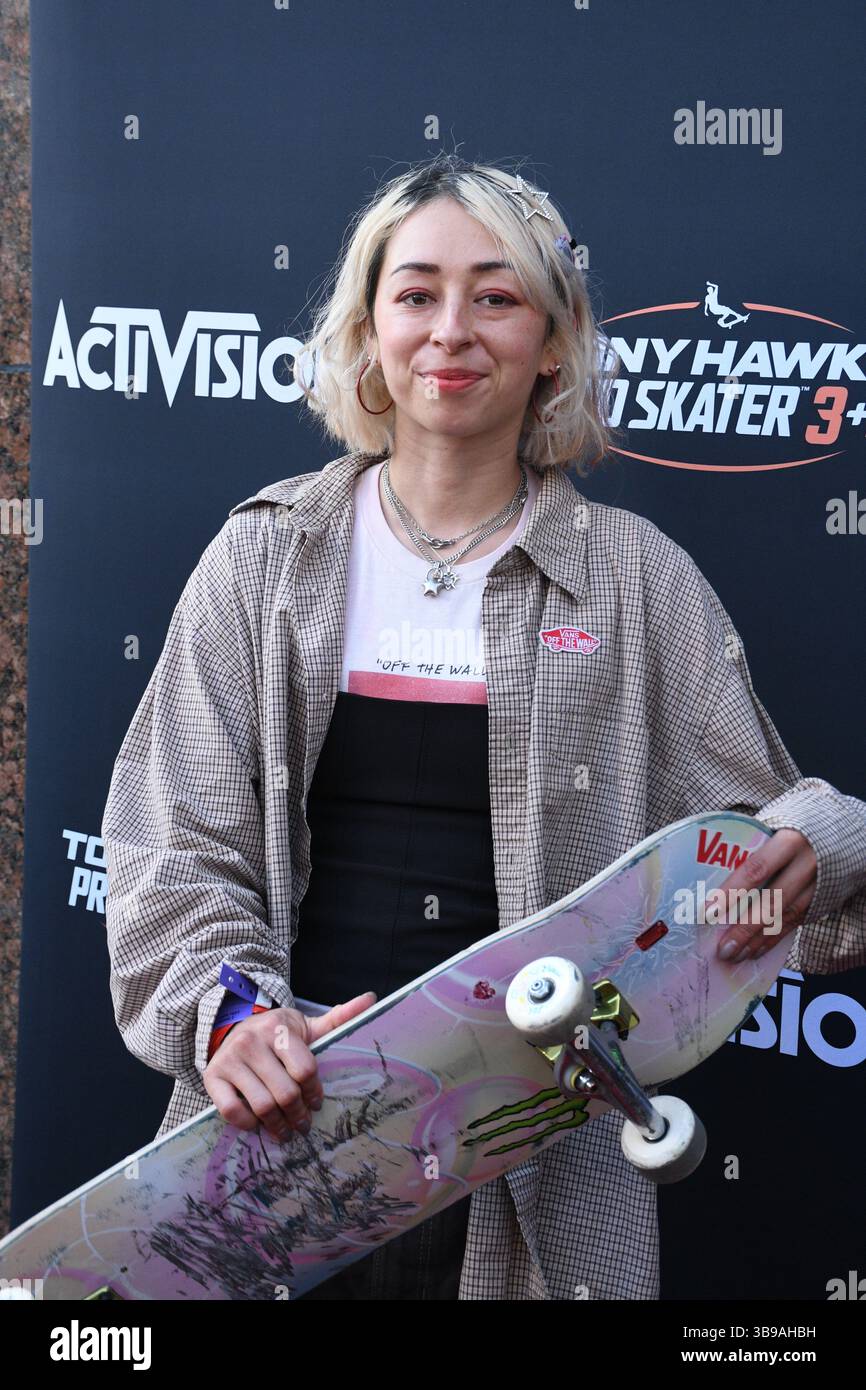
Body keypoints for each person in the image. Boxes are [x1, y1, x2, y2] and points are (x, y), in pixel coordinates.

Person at [102, 153, 866, 1301]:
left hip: (534, 1171)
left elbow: (765, 847)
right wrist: (232, 1013)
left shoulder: (635, 582)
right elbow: (174, 850)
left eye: (494, 295)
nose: (449, 329)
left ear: (551, 340)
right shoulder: (262, 558)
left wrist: (822, 843)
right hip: (276, 1155)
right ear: (368, 330)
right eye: (414, 293)